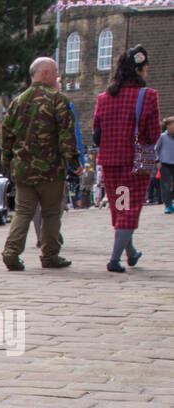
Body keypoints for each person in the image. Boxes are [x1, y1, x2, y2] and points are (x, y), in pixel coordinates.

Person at [1, 57, 80, 271]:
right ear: (45, 73)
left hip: (23, 170)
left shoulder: (17, 102)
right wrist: (74, 161)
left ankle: (11, 251)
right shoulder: (58, 100)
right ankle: (50, 255)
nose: (57, 76)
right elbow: (66, 136)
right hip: (51, 170)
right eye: (55, 72)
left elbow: (7, 136)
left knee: (23, 211)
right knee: (51, 213)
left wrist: (7, 162)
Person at [93, 45, 161, 272]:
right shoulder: (148, 96)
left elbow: (96, 132)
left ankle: (131, 252)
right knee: (130, 210)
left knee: (122, 206)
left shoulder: (103, 98)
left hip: (111, 161)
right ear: (139, 69)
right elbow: (153, 133)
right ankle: (114, 259)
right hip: (137, 161)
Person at [157, 116, 174, 213]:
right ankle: (167, 205)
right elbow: (156, 149)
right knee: (165, 185)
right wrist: (157, 161)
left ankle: (170, 200)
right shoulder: (162, 137)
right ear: (168, 126)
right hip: (165, 164)